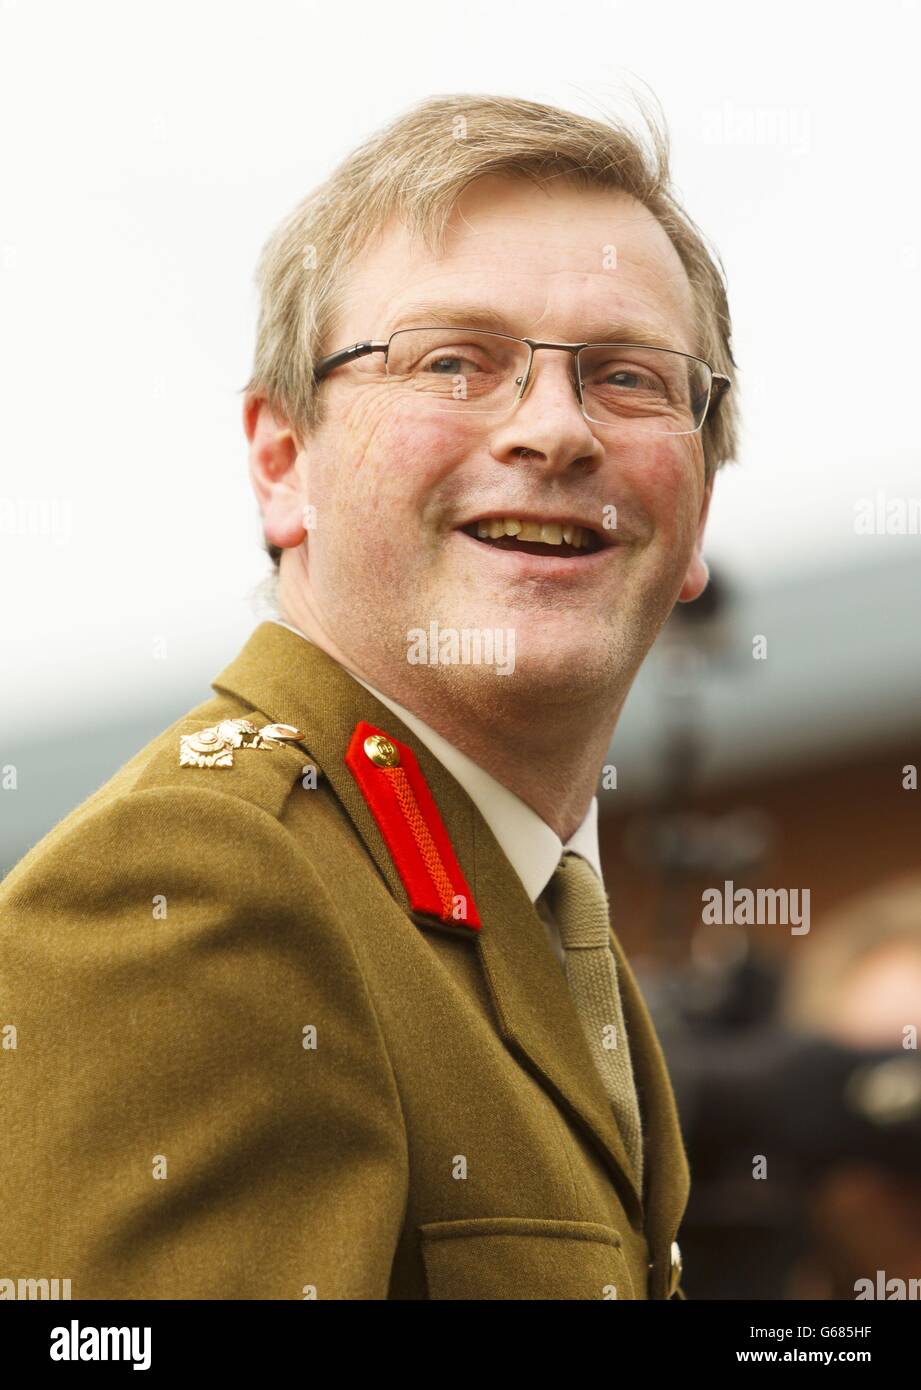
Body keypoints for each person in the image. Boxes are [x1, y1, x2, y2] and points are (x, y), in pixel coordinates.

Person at [0, 91, 738, 1299]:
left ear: (700, 508)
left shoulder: (535, 912)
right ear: (282, 460)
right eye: (454, 361)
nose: (553, 430)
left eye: (627, 379)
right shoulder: (195, 881)